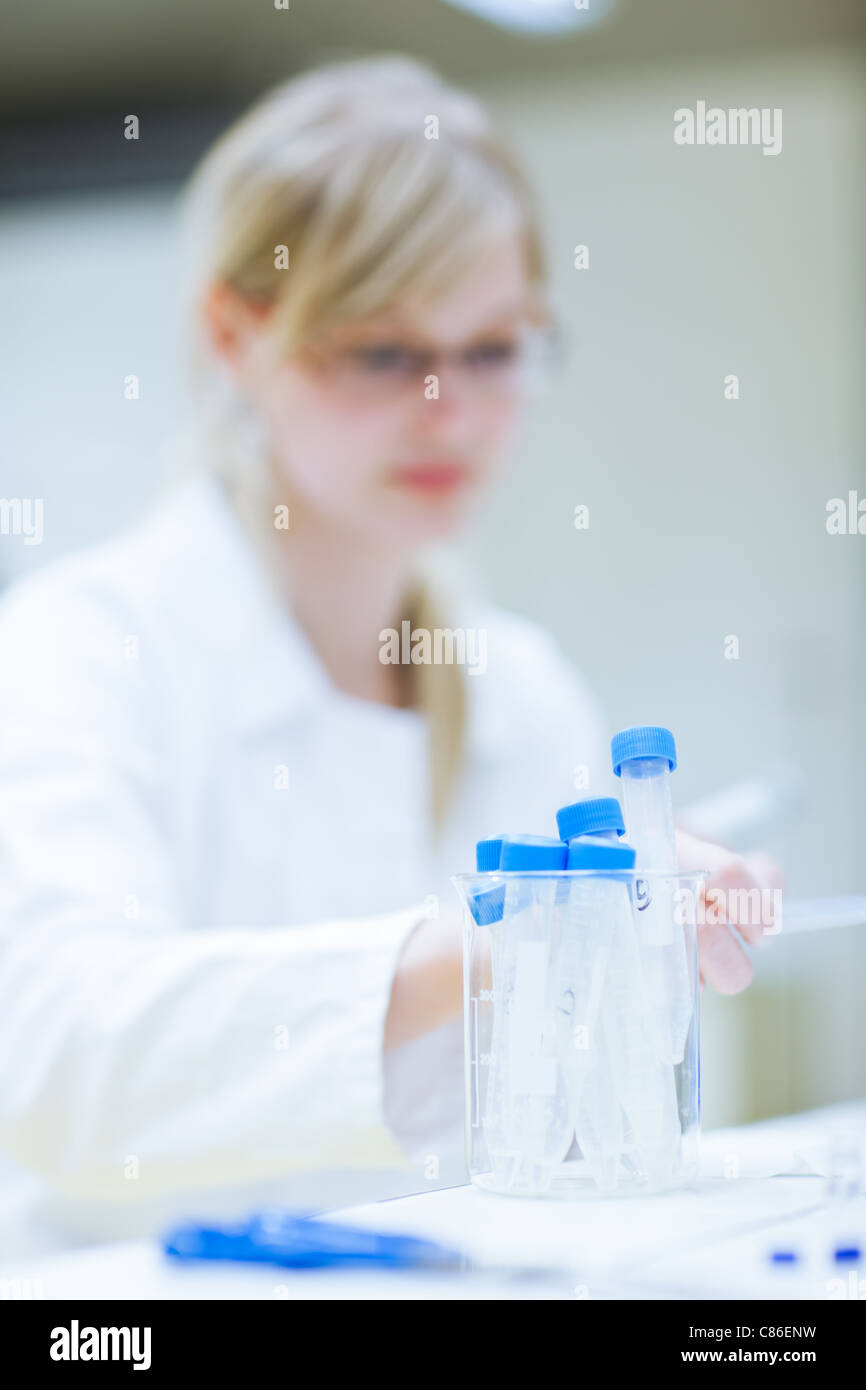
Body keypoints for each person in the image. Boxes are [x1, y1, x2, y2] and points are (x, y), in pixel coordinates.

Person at [0, 55, 780, 1238]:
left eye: (492, 351)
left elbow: (575, 1125)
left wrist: (642, 969)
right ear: (234, 335)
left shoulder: (519, 690)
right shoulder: (76, 654)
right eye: (379, 353)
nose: (449, 412)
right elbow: (53, 1060)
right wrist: (497, 939)